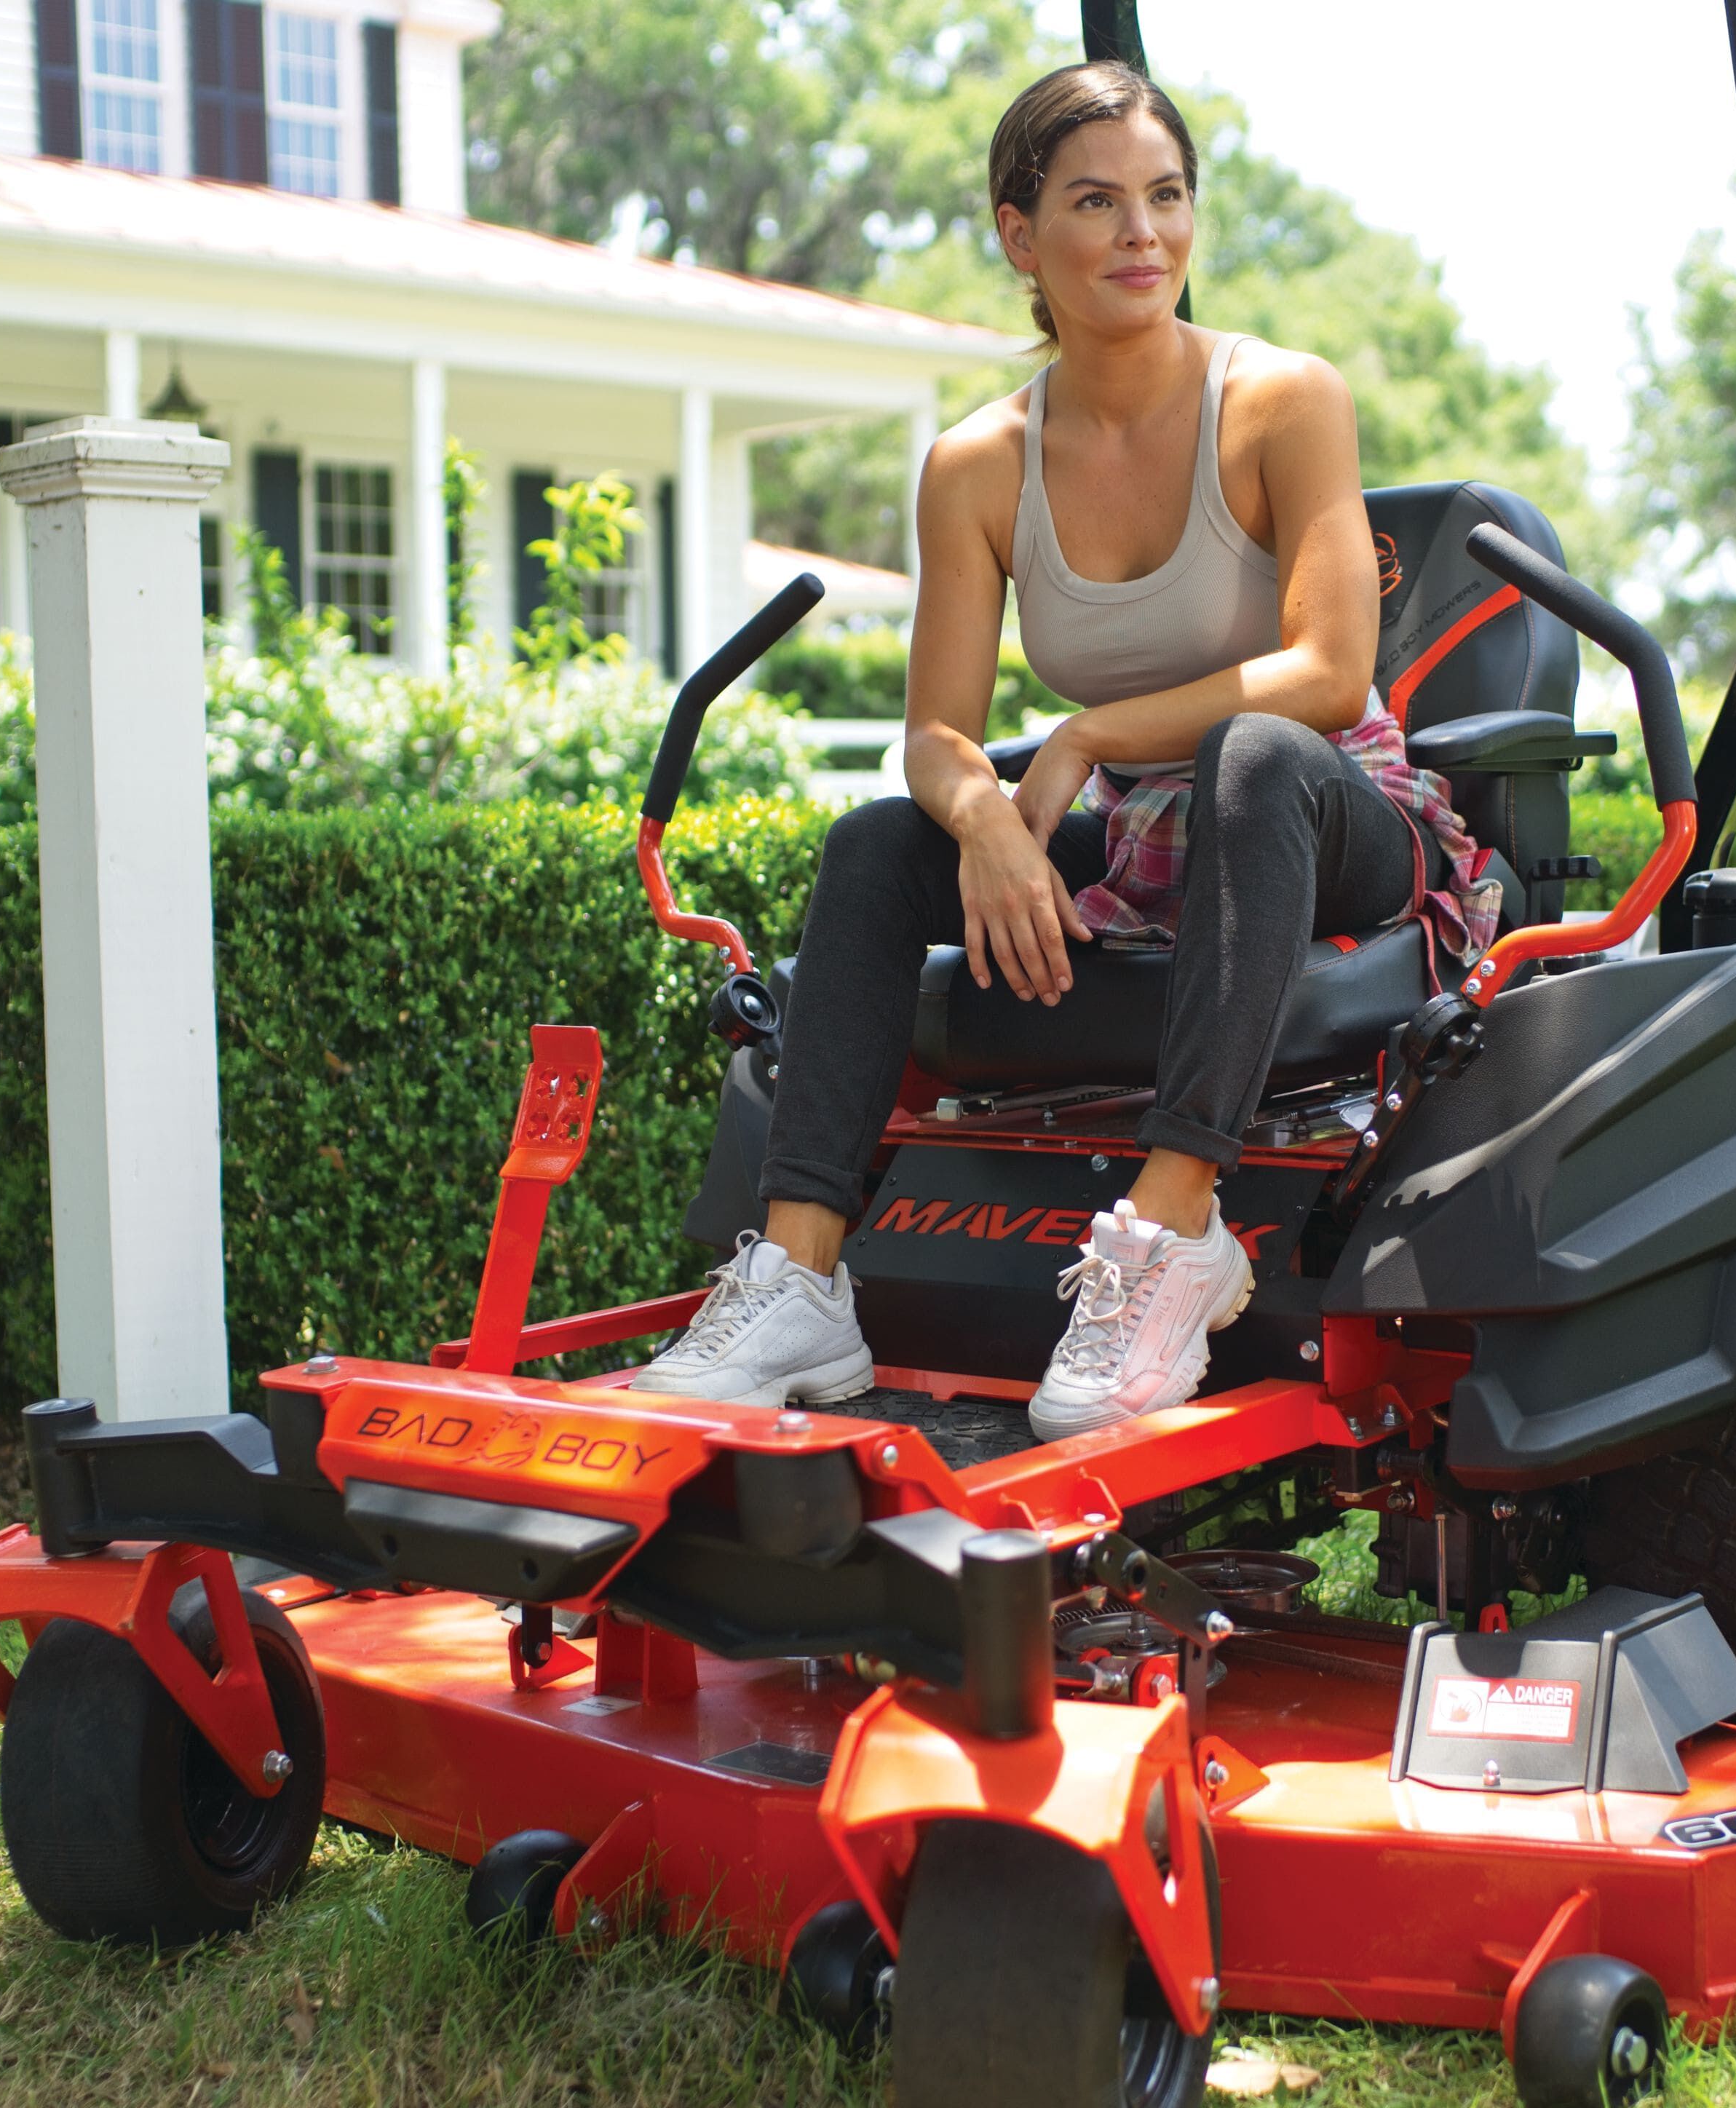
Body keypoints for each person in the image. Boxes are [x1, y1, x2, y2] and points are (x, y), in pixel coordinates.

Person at [634, 60, 1492, 1441]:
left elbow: (1330, 677)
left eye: (1166, 197)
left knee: (1254, 758)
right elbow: (936, 734)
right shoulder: (980, 464)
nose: (1142, 233)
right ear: (1021, 235)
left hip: (1335, 817)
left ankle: (1175, 1231)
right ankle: (800, 1275)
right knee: (875, 846)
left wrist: (1083, 734)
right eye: (1097, 202)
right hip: (1161, 837)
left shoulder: (1284, 401)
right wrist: (978, 819)